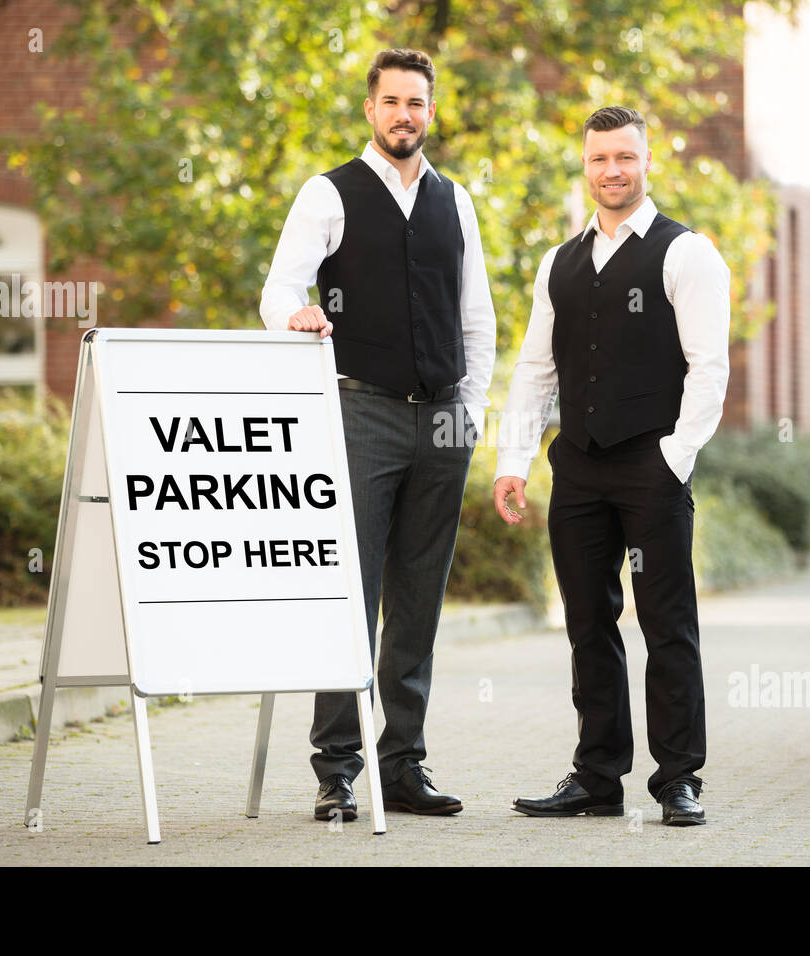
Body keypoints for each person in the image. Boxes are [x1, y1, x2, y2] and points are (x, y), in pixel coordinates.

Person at [260, 48, 494, 821]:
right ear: (370, 110)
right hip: (358, 413)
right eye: (392, 101)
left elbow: (475, 319)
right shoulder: (329, 193)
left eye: (417, 103)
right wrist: (295, 316)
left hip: (443, 418)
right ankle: (336, 771)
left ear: (432, 111)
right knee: (350, 596)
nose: (405, 115)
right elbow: (279, 287)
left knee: (418, 599)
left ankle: (404, 765)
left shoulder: (454, 203)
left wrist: (472, 407)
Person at [493, 106, 730, 826]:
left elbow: (708, 369)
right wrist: (514, 460)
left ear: (647, 161)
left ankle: (679, 778)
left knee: (667, 623)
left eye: (624, 157)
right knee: (586, 625)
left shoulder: (686, 253)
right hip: (579, 470)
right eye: (599, 159)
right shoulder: (557, 263)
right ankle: (597, 777)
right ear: (586, 165)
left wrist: (674, 458)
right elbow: (535, 371)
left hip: (653, 464)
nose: (612, 171)